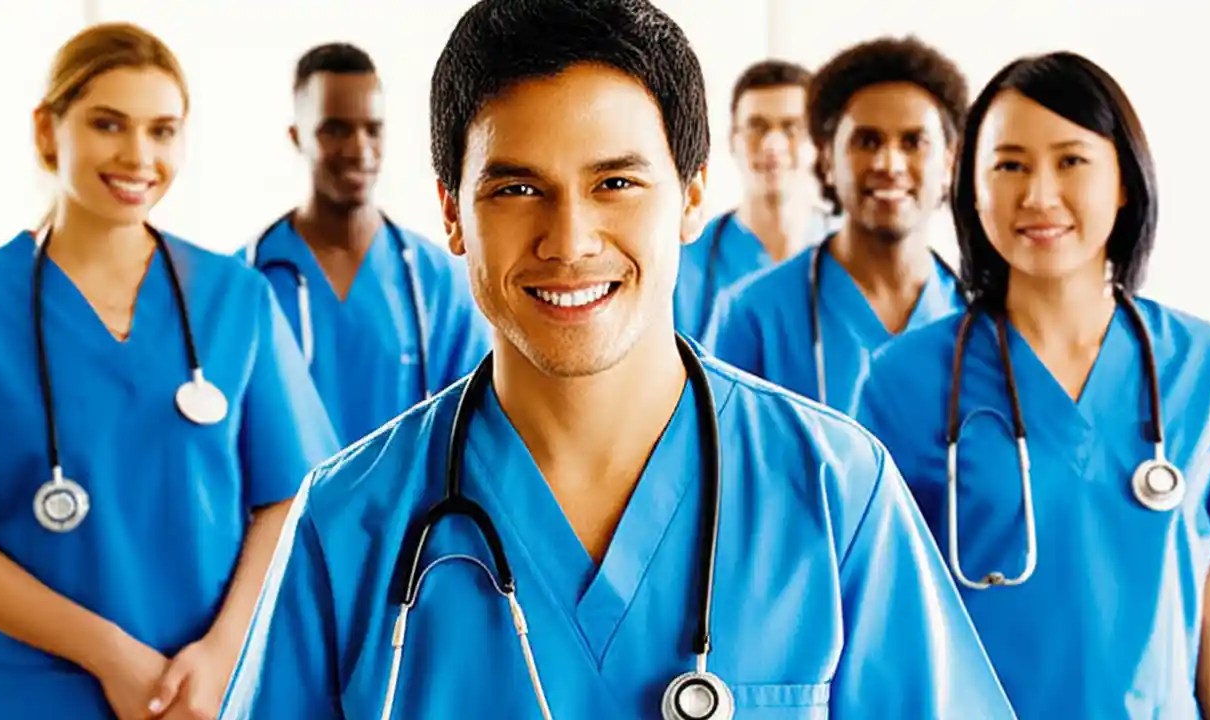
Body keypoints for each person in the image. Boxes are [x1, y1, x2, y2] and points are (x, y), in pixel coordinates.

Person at [219, 2, 1016, 718]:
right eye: (517, 190)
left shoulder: (837, 495)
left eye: (616, 183)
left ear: (693, 196)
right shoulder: (347, 522)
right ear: (451, 213)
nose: (569, 242)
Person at [0, 23, 338, 719]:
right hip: (38, 692)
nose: (138, 155)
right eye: (108, 124)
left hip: (209, 691)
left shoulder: (235, 297)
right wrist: (110, 655)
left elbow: (290, 499)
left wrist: (221, 657)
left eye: (163, 130)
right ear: (47, 130)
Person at [855, 51, 1210, 718]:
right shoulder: (903, 382)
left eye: (1071, 161)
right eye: (1010, 164)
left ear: (1124, 181)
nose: (1039, 195)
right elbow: (882, 612)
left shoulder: (1207, 367)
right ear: (972, 187)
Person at [241, 42, 492, 445]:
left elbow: (474, 431)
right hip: (285, 509)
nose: (359, 150)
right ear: (296, 136)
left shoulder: (440, 284)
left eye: (372, 129)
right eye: (335, 130)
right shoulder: (245, 282)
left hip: (409, 510)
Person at [704, 37, 967, 415]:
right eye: (867, 140)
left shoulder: (973, 318)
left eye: (914, 142)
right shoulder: (752, 315)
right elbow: (717, 461)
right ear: (826, 158)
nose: (889, 163)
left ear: (949, 161)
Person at [672, 60, 829, 342]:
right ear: (733, 140)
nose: (773, 145)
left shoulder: (851, 255)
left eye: (792, 128)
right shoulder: (686, 261)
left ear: (820, 142)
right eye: (757, 127)